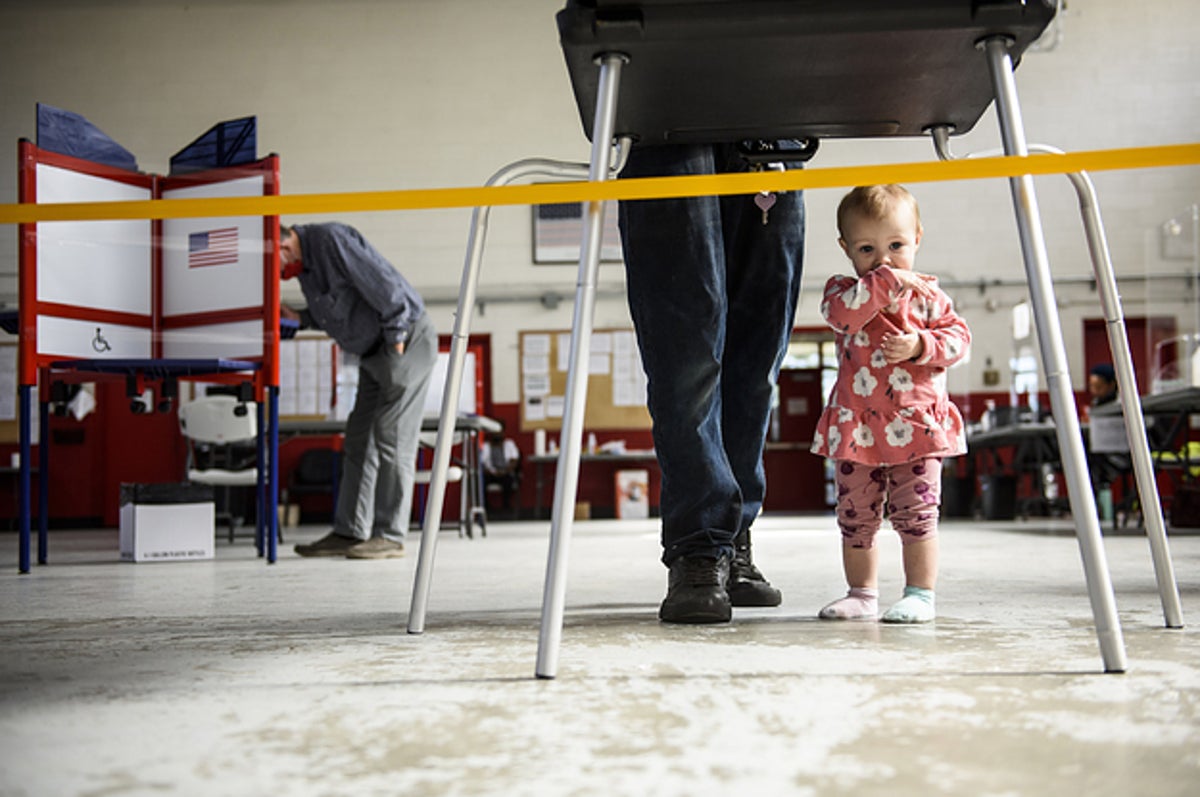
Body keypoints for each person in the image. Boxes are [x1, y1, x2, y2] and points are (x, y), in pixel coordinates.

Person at [618, 142, 806, 624]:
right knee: (687, 361)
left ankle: (733, 539)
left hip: (771, 139)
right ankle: (699, 547)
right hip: (670, 127)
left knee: (757, 366)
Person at [810, 184, 971, 624]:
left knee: (917, 514)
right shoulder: (844, 292)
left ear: (917, 237)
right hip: (857, 429)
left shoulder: (930, 296)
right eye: (867, 249)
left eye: (896, 246)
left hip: (915, 428)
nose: (883, 259)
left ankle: (920, 594)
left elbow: (959, 341)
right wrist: (886, 279)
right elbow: (843, 317)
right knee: (855, 517)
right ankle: (861, 594)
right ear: (846, 250)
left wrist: (923, 343)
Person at [281, 222, 437, 560]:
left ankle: (390, 535)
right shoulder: (305, 268)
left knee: (391, 434)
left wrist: (395, 341)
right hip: (371, 352)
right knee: (358, 438)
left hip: (404, 341)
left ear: (283, 248)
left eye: (277, 268)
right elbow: (339, 311)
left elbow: (386, 287)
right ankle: (349, 531)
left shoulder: (329, 240)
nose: (282, 275)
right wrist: (300, 317)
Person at [481, 424, 521, 516]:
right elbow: (482, 463)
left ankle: (506, 506)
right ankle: (486, 507)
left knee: (509, 481)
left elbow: (514, 460)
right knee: (482, 481)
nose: (497, 434)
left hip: (505, 472)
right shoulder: (486, 446)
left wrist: (505, 471)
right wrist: (491, 472)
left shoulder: (509, 444)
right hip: (491, 473)